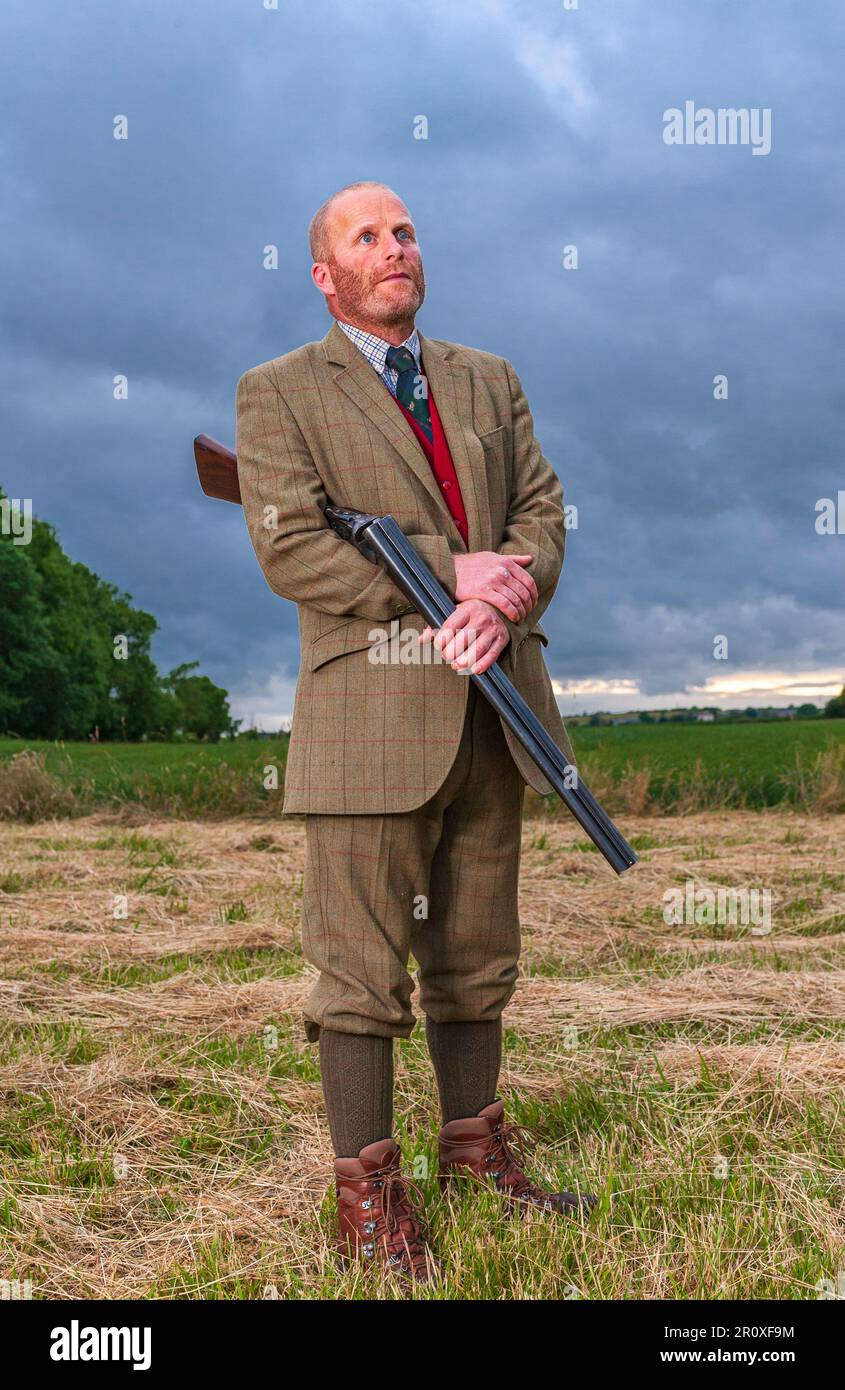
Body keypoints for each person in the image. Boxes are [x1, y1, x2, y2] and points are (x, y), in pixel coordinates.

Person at [236, 180, 595, 1286]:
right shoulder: (278, 392)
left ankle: (477, 1154)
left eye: (404, 231)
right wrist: (449, 573)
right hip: (368, 719)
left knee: (477, 956)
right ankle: (365, 1196)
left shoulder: (489, 379)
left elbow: (539, 512)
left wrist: (500, 600)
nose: (394, 247)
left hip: (498, 706)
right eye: (365, 236)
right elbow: (290, 547)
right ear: (323, 273)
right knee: (356, 973)